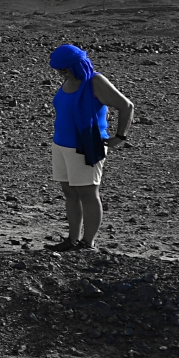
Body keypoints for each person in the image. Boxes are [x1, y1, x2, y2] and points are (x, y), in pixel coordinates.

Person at [48, 44, 135, 251]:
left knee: (88, 194)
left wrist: (120, 136)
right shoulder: (69, 81)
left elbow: (127, 106)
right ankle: (72, 240)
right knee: (70, 194)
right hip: (61, 145)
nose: (62, 74)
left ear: (77, 65)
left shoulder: (95, 82)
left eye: (65, 70)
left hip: (85, 146)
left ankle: (88, 243)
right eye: (59, 71)